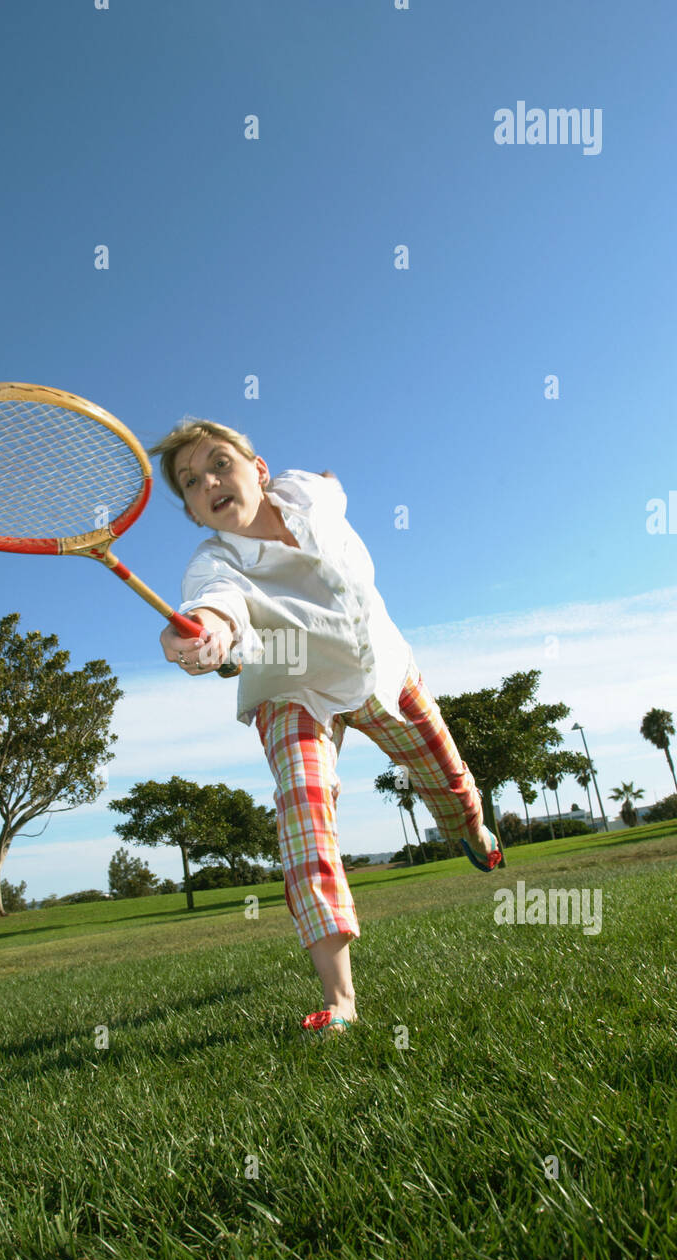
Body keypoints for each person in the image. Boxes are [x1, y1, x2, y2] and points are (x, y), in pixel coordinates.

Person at [149, 419, 501, 1039]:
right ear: (196, 512)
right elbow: (217, 607)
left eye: (219, 464)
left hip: (380, 667)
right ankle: (340, 999)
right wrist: (207, 633)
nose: (207, 481)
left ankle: (471, 826)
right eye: (190, 482)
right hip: (291, 686)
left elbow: (332, 484)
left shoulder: (308, 492)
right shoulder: (214, 564)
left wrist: (332, 481)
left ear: (259, 471)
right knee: (305, 818)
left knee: (447, 777)